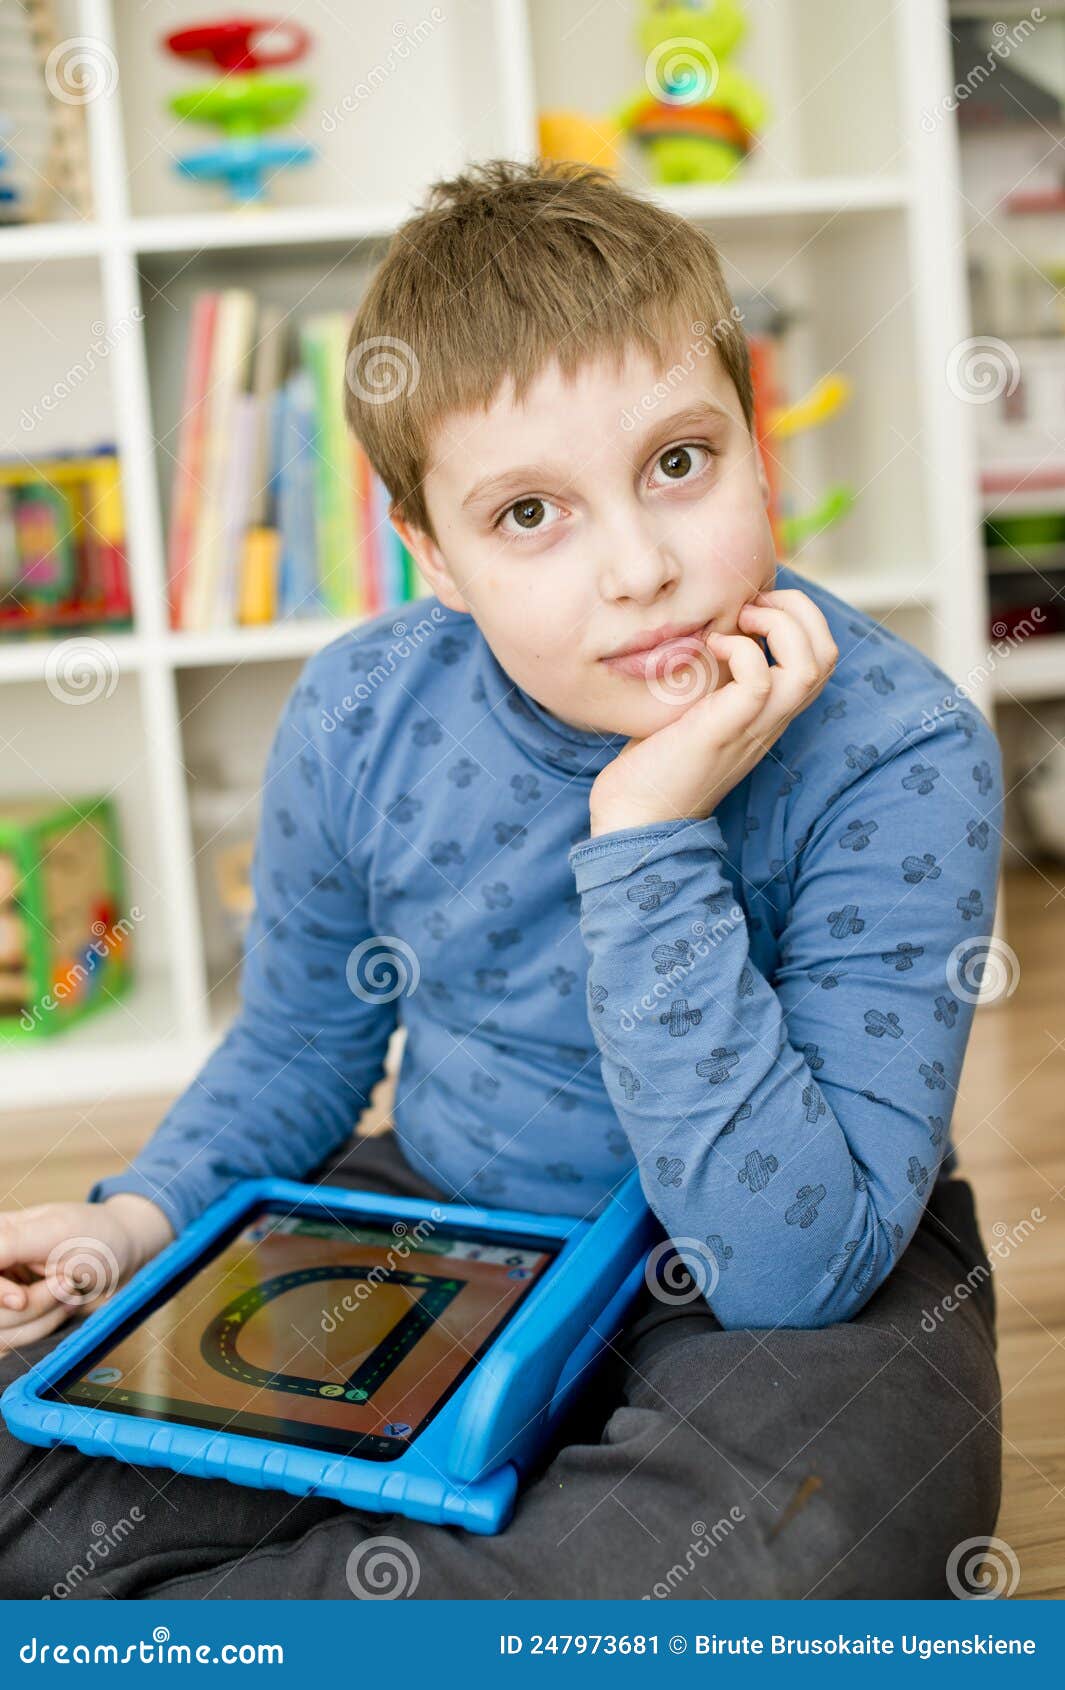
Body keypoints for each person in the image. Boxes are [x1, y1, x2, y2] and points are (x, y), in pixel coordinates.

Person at [0, 160, 1002, 1600]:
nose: (641, 567)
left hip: (795, 1246)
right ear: (435, 555)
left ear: (755, 444)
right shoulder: (358, 714)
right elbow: (299, 1044)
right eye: (531, 513)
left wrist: (648, 840)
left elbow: (796, 1265)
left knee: (823, 1530)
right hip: (440, 1207)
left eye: (677, 461)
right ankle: (461, 1577)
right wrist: (132, 1221)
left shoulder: (900, 751)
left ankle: (357, 1590)